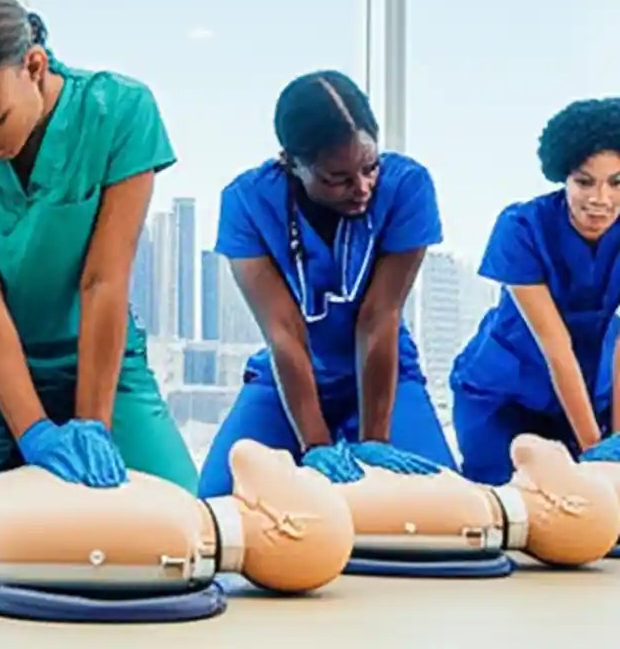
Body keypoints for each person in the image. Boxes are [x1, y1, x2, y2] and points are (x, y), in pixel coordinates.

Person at [0, 0, 199, 578]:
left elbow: (105, 282)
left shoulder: (122, 111)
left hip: (93, 355)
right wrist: (32, 433)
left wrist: (92, 428)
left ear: (34, 66)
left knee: (176, 520)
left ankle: (24, 455)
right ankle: (6, 446)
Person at [197, 70, 456, 499]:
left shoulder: (408, 186)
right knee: (221, 498)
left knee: (436, 504)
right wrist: (313, 445)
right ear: (291, 163)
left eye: (370, 167)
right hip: (289, 372)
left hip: (382, 371)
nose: (362, 188)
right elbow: (282, 331)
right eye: (337, 178)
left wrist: (375, 441)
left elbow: (380, 316)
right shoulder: (246, 201)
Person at [450, 98, 620, 485]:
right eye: (584, 181)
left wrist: (615, 445)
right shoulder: (521, 228)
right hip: (503, 397)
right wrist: (594, 451)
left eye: (617, 182)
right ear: (563, 176)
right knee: (512, 510)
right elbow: (555, 345)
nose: (601, 200)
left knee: (593, 517)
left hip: (586, 397)